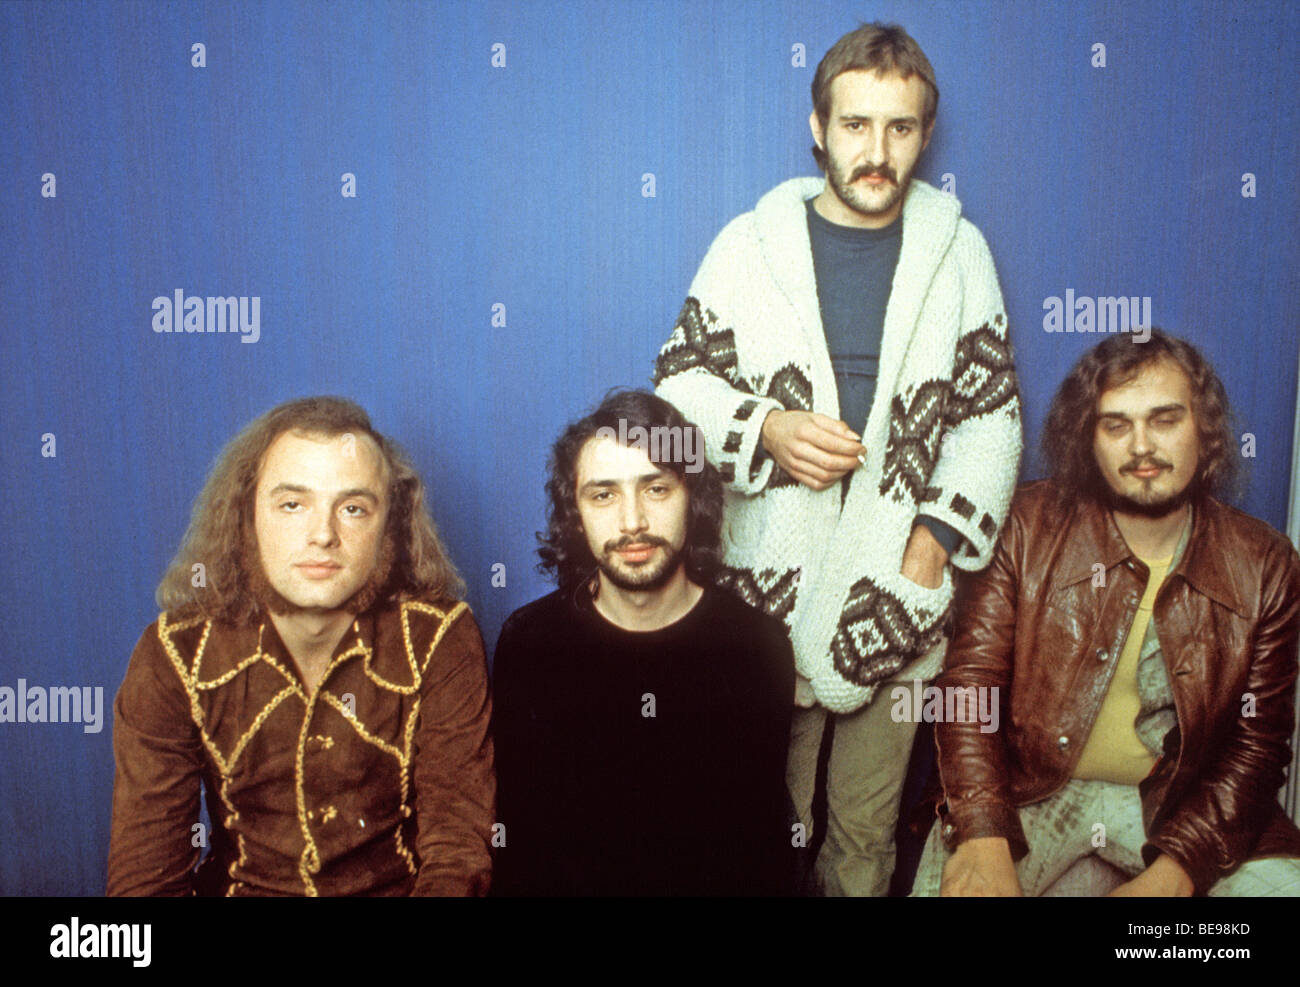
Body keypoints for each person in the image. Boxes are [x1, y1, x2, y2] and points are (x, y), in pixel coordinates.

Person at [653, 22, 1021, 895]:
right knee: (754, 823)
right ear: (818, 127)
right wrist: (766, 428)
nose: (877, 151)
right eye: (856, 125)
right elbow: (675, 389)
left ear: (926, 136)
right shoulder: (749, 246)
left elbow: (991, 419)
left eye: (899, 129)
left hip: (891, 594)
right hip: (760, 589)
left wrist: (931, 545)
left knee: (865, 836)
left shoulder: (958, 254)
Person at [913, 330, 1300, 896]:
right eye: (1116, 425)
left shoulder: (1264, 563)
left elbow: (1257, 749)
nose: (1141, 446)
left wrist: (1178, 873)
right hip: (1028, 794)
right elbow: (969, 689)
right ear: (1088, 439)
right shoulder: (1026, 523)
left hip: (1182, 806)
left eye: (1164, 419)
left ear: (1205, 428)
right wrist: (981, 835)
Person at [108, 396, 494, 896]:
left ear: (390, 527)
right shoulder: (174, 654)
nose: (322, 535)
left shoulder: (439, 636)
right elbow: (145, 879)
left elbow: (457, 854)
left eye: (353, 508)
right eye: (293, 504)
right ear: (247, 515)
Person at [491, 390, 795, 895]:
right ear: (576, 512)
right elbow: (522, 848)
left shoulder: (754, 647)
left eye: (655, 489)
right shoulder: (531, 645)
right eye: (603, 495)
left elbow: (755, 855)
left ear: (692, 497)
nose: (632, 522)